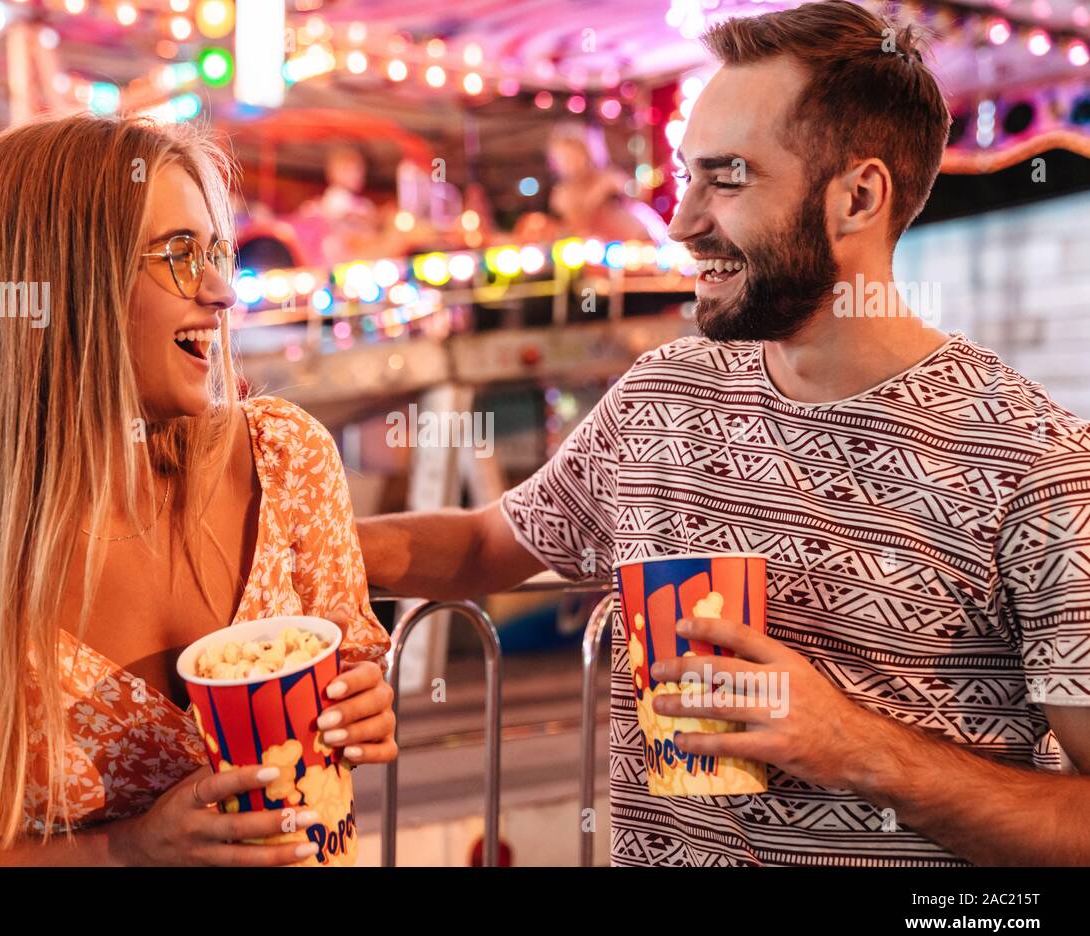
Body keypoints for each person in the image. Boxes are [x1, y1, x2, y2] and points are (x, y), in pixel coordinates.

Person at [357, 1, 1090, 866]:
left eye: (727, 179)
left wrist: (844, 740)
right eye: (683, 177)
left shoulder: (1035, 465)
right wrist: (272, 536)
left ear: (858, 197)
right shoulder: (659, 395)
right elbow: (486, 542)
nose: (679, 221)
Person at [0, 114, 397, 866]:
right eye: (181, 255)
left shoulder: (287, 459)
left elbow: (349, 676)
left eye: (214, 251)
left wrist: (363, 710)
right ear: (65, 286)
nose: (222, 291)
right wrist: (123, 851)